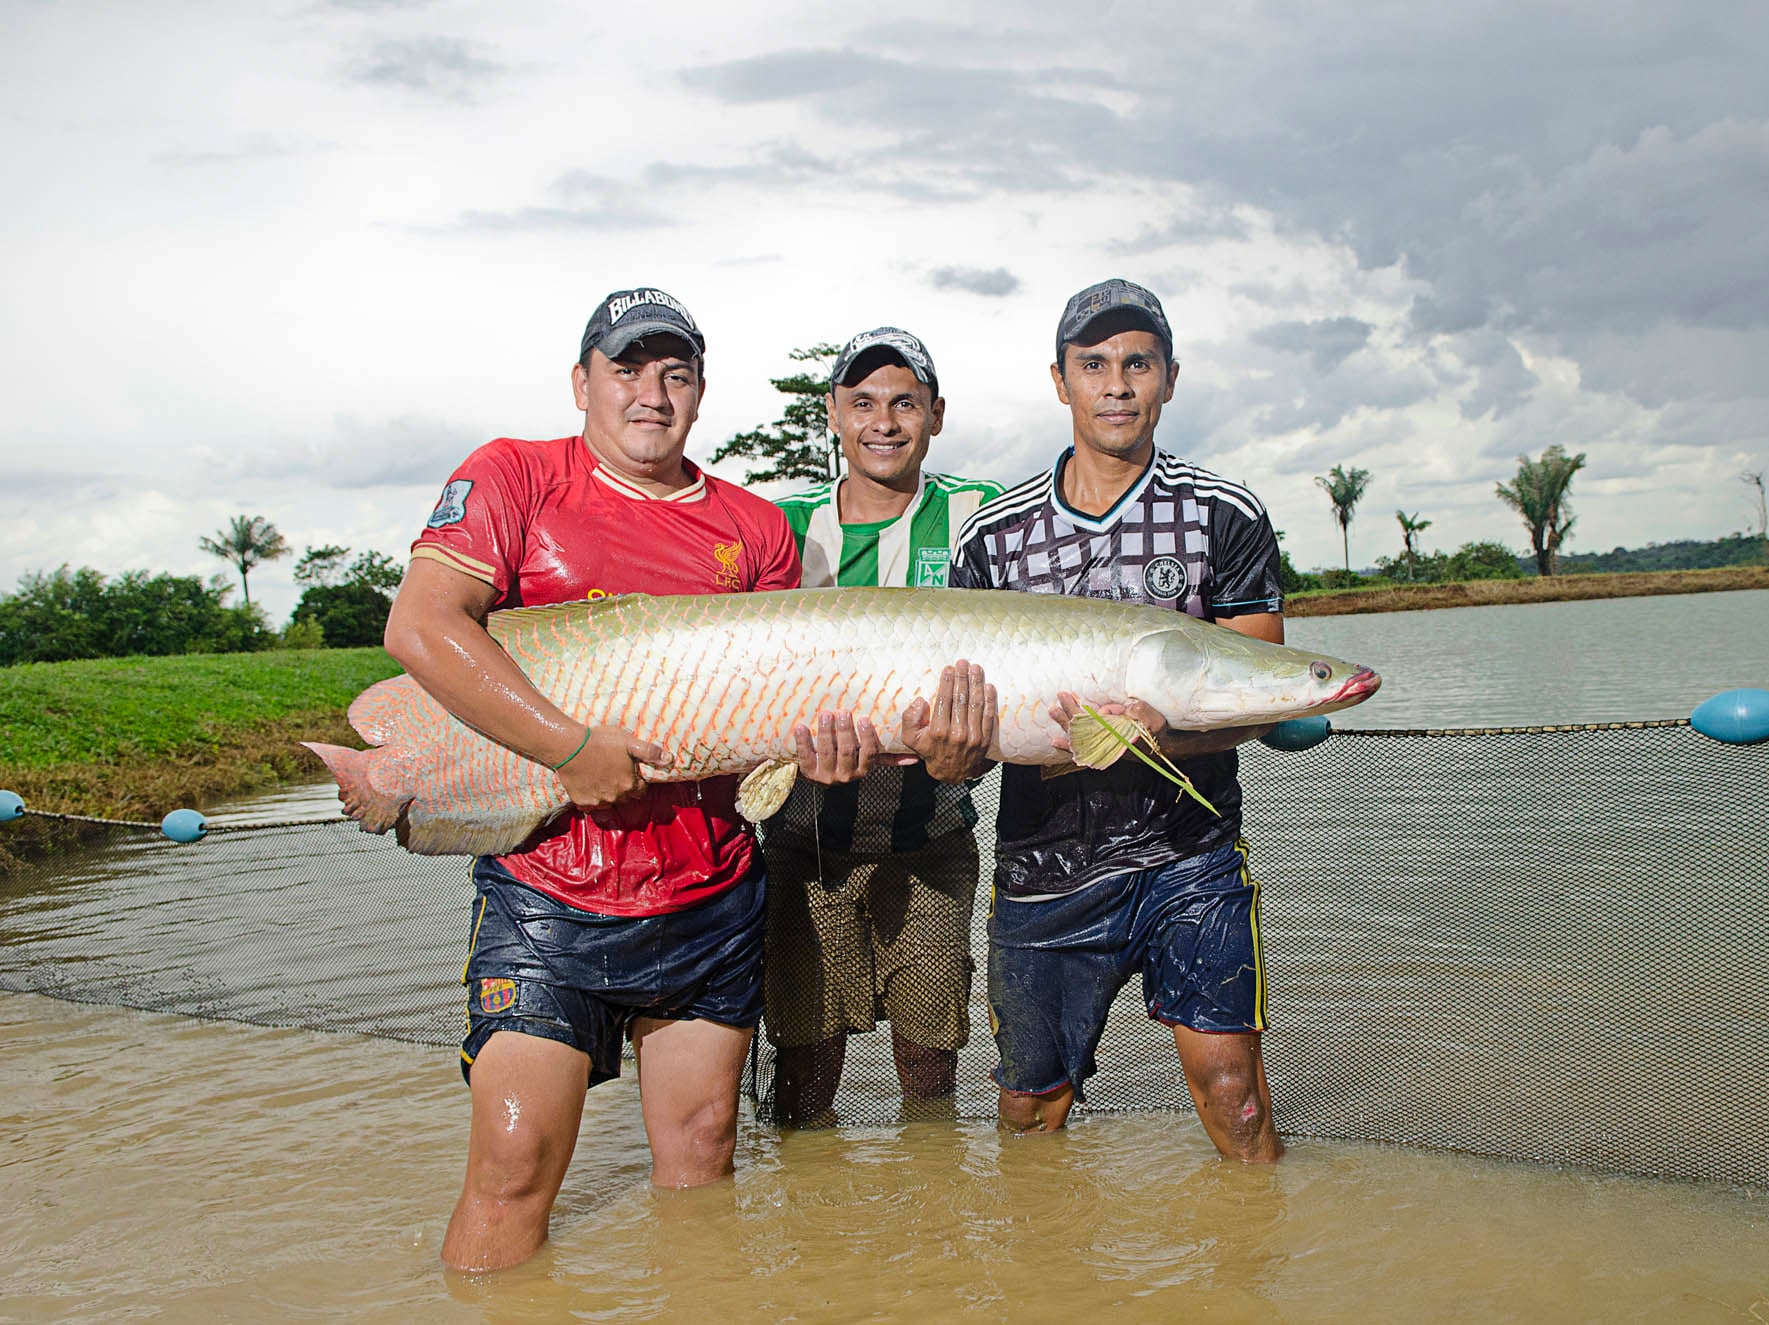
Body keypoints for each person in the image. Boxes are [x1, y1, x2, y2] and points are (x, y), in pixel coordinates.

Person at [383, 288, 921, 1272]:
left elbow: (784, 715)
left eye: (676, 374)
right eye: (627, 368)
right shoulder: (513, 475)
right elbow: (420, 626)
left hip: (708, 895)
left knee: (703, 1157)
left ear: (700, 392)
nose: (652, 393)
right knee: (512, 1163)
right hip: (548, 895)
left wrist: (828, 750)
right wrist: (568, 749)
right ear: (581, 381)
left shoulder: (756, 528)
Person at [950, 278, 1288, 1162]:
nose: (1116, 385)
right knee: (1031, 1111)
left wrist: (1161, 734)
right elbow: (964, 745)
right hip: (1044, 863)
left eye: (1138, 363)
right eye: (1093, 364)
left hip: (1191, 851)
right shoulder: (992, 536)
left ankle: (1258, 1239)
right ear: (1059, 381)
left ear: (1169, 378)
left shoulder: (1224, 514)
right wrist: (950, 753)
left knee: (1235, 1095)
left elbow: (1260, 682)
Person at [762, 328, 1007, 1125]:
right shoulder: (778, 526)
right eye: (862, 403)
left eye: (905, 403)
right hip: (804, 840)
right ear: (833, 414)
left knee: (932, 1067)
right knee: (803, 1070)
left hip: (929, 838)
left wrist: (969, 756)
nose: (884, 422)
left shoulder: (980, 512)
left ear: (936, 415)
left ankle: (932, 1191)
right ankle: (810, 1197)